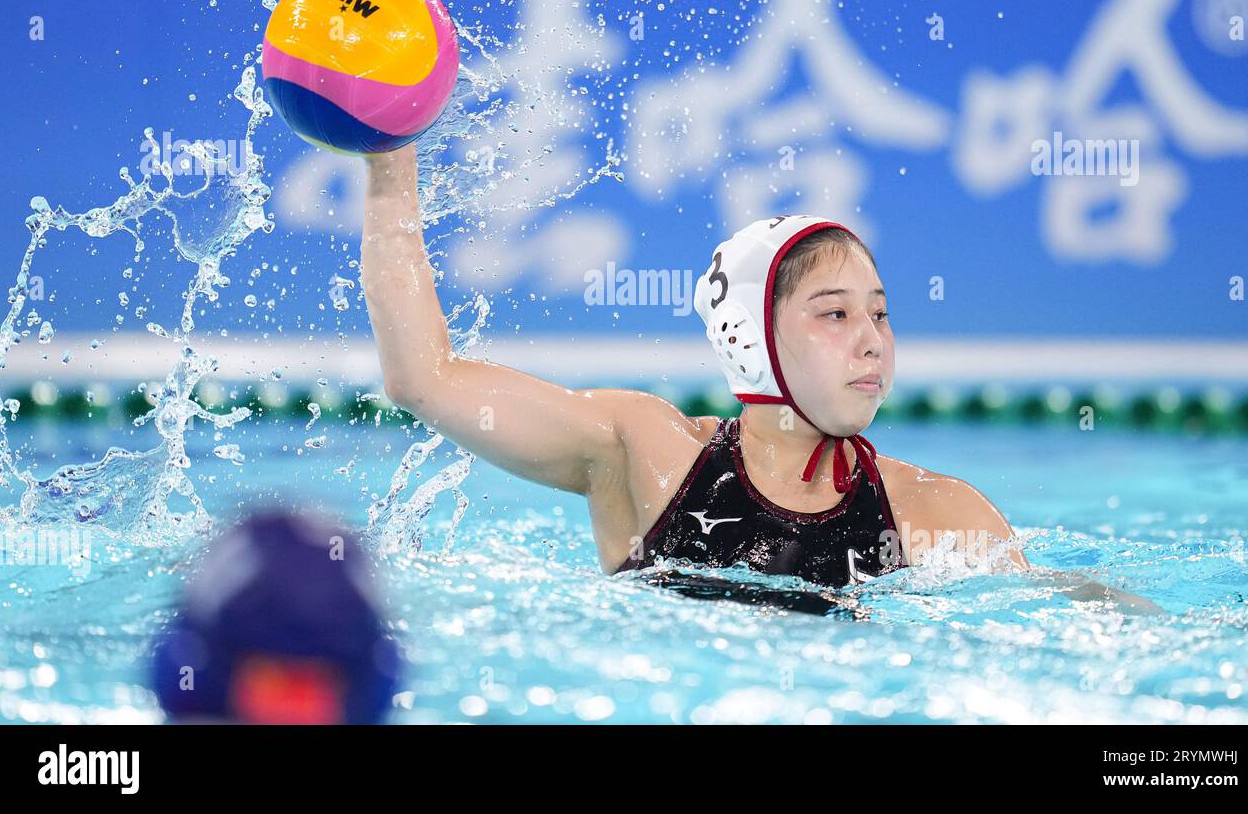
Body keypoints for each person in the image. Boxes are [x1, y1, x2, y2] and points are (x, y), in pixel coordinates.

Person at [361, 142, 1160, 613]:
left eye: (879, 314)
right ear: (750, 336)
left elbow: (1065, 624)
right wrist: (390, 173)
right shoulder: (648, 455)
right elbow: (425, 379)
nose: (873, 342)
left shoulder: (937, 510)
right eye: (835, 315)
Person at [150, 510, 402, 723]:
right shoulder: (194, 689)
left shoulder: (366, 690)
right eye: (273, 680)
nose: (293, 710)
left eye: (314, 681)